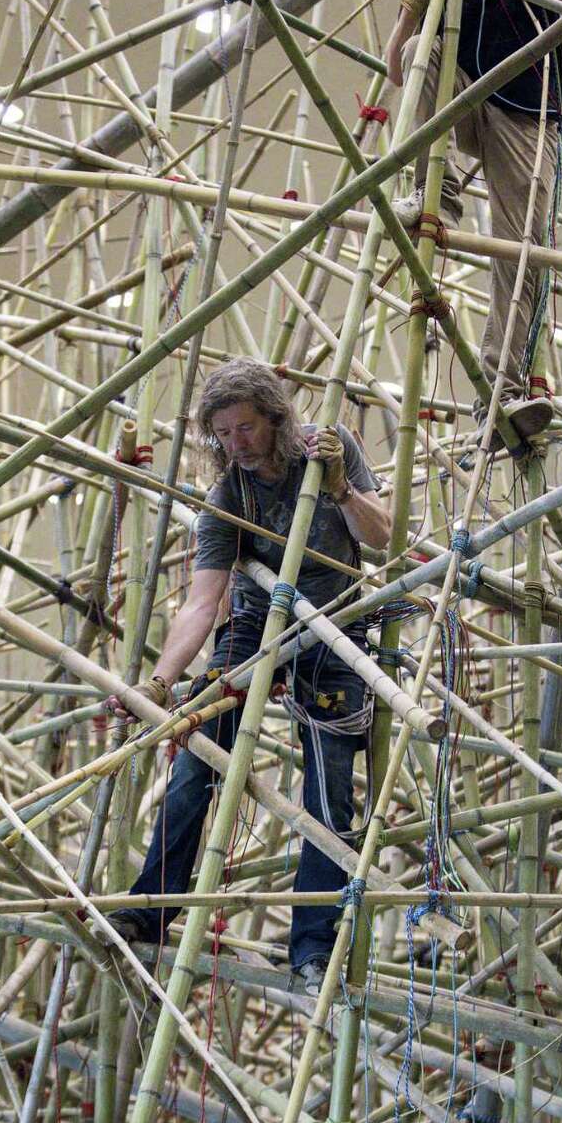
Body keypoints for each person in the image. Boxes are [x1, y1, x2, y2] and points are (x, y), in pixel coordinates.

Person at [114, 361, 391, 991]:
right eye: (222, 433)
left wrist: (341, 489)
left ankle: (313, 947)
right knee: (196, 764)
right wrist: (159, 684)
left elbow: (380, 537)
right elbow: (200, 603)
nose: (235, 443)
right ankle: (148, 908)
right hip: (252, 628)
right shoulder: (227, 500)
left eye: (245, 428)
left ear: (275, 418)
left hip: (334, 626)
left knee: (328, 794)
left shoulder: (329, 450)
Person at [366, 0, 562, 443]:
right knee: (420, 51)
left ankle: (503, 391)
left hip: (528, 113)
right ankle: (433, 190)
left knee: (521, 251)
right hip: (466, 105)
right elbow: (399, 74)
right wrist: (411, 8)